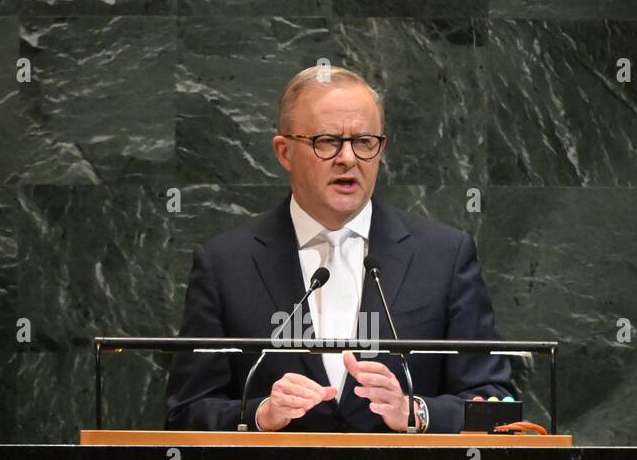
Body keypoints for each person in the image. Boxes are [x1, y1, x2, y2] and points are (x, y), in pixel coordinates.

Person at [164, 65, 515, 433]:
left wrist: (417, 412)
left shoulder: (444, 257)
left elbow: (497, 405)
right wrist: (258, 415)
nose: (348, 158)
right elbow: (184, 414)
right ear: (284, 152)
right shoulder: (225, 265)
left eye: (364, 142)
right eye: (327, 141)